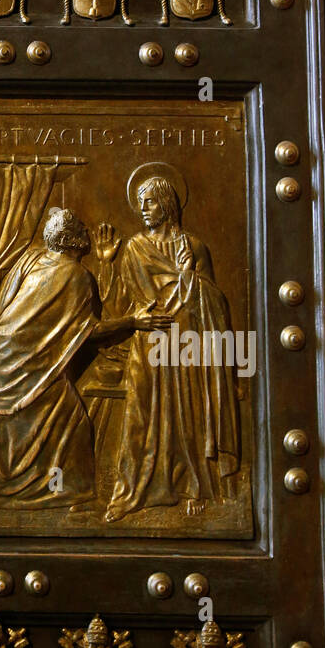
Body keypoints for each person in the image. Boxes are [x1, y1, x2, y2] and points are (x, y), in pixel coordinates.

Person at [0, 207, 170, 511]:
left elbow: (65, 320)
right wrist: (133, 322)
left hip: (7, 363)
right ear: (70, 240)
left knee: (9, 430)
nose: (88, 234)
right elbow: (90, 330)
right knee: (73, 424)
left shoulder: (31, 261)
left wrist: (107, 265)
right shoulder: (76, 275)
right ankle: (66, 495)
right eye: (82, 230)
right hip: (35, 371)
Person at [94, 166, 241, 521]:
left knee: (187, 418)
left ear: (166, 204)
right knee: (142, 419)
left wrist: (191, 277)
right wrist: (107, 265)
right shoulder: (133, 248)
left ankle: (194, 486)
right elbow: (115, 308)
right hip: (147, 345)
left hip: (187, 344)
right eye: (140, 203)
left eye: (149, 202)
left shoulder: (194, 247)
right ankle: (135, 491)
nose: (143, 209)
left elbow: (217, 305)